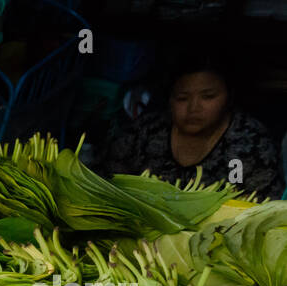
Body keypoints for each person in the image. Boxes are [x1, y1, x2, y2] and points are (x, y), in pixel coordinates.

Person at [104, 54, 284, 200]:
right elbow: (107, 184)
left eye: (208, 97)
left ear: (229, 97)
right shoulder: (144, 132)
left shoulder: (250, 144)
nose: (193, 108)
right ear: (169, 100)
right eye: (182, 98)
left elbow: (263, 207)